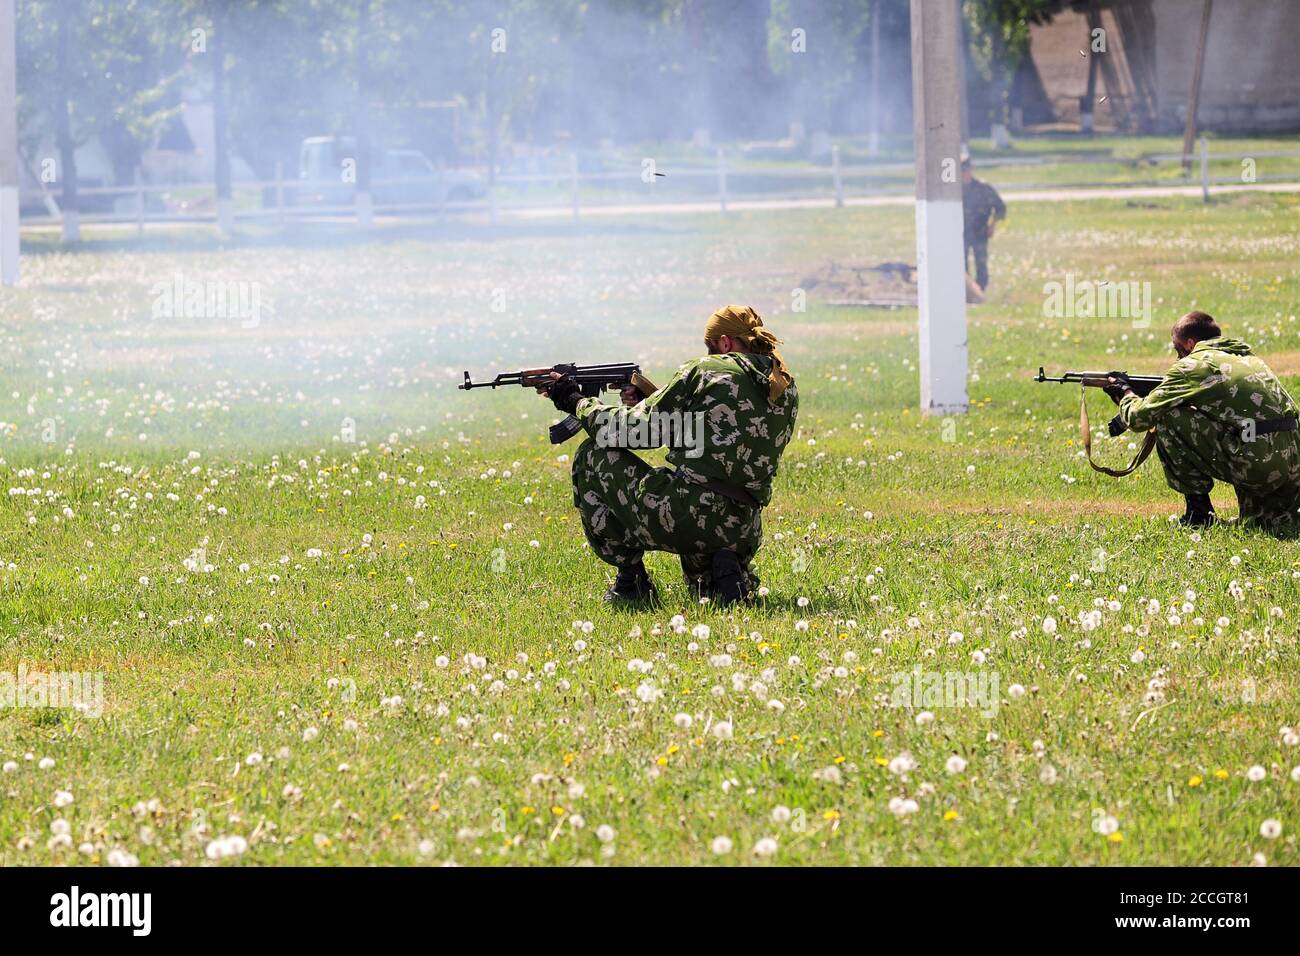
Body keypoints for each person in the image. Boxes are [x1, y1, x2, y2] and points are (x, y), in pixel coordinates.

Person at [538, 305, 799, 606]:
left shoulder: (704, 371)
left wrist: (576, 401)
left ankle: (631, 581)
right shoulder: (783, 383)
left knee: (592, 456)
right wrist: (649, 401)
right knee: (704, 592)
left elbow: (625, 432)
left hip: (689, 516)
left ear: (725, 342)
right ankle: (726, 571)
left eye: (710, 347)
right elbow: (715, 436)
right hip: (742, 526)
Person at [1106, 311, 1300, 531]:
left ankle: (1199, 514)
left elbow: (1138, 418)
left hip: (1259, 464)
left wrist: (1125, 393)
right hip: (1292, 463)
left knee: (1170, 417)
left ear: (1190, 343)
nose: (1177, 355)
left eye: (1177, 348)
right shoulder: (1250, 359)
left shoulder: (1193, 365)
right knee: (1266, 524)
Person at [961, 156, 1005, 292]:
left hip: (980, 231)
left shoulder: (983, 188)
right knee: (961, 263)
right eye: (961, 171)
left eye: (965, 170)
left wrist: (992, 225)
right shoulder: (954, 191)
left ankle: (981, 289)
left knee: (981, 262)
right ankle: (966, 290)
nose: (964, 173)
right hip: (961, 232)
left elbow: (1000, 207)